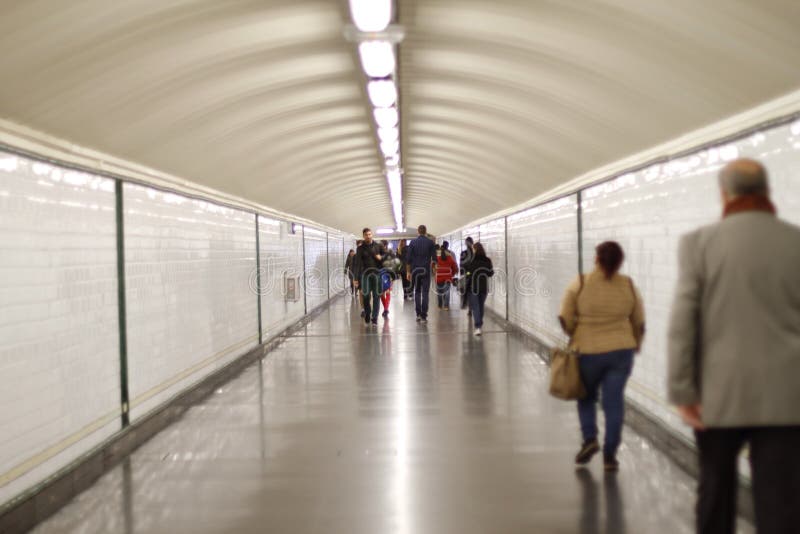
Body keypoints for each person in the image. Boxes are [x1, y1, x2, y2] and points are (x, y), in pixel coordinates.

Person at [667, 159, 800, 534]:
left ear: (724, 194)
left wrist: (683, 391)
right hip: (786, 396)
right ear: (767, 191)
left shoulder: (699, 244)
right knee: (782, 503)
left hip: (717, 395)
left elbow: (683, 323)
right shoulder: (795, 241)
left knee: (716, 490)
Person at [558, 241, 645, 472]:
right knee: (613, 401)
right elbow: (639, 321)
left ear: (596, 259)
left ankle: (590, 439)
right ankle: (610, 455)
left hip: (588, 351)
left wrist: (574, 334)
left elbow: (565, 316)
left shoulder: (580, 283)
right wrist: (636, 343)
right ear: (619, 262)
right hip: (621, 351)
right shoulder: (628, 285)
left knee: (586, 397)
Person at [352, 229, 385, 327]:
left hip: (377, 275)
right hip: (365, 275)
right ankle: (367, 313)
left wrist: (381, 258)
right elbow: (357, 264)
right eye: (366, 235)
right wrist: (355, 278)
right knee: (366, 296)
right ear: (363, 236)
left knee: (376, 296)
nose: (368, 236)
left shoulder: (378, 246)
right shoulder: (360, 248)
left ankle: (374, 318)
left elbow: (387, 258)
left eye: (369, 234)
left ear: (372, 235)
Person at [406, 225, 437, 323]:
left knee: (417, 292)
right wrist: (434, 270)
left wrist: (408, 272)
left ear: (418, 232)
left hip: (415, 270)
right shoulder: (430, 242)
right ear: (426, 231)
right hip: (426, 270)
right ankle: (424, 316)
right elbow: (434, 259)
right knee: (425, 293)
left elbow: (408, 259)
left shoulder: (413, 242)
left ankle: (418, 314)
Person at [463, 242, 494, 336]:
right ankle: (479, 325)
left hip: (473, 287)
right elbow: (490, 273)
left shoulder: (472, 260)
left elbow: (468, 273)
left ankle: (478, 327)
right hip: (484, 287)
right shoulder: (487, 260)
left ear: (475, 250)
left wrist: (468, 274)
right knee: (480, 306)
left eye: (473, 249)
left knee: (476, 307)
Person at [379, 240, 400, 318]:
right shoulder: (378, 254)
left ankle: (386, 309)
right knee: (381, 293)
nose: (380, 247)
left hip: (389, 275)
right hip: (380, 274)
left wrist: (393, 276)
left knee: (387, 291)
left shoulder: (390, 253)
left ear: (385, 246)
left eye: (381, 245)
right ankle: (386, 308)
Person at [435, 241, 458, 310]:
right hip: (447, 277)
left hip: (439, 277)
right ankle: (446, 306)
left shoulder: (437, 258)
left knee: (439, 291)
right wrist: (452, 274)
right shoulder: (450, 258)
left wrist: (435, 271)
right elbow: (454, 267)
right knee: (447, 291)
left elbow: (433, 266)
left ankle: (440, 305)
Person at [459, 236, 475, 312]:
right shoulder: (475, 253)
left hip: (466, 274)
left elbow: (461, 264)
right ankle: (470, 308)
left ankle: (465, 304)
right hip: (474, 274)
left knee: (465, 290)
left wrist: (462, 274)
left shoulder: (463, 253)